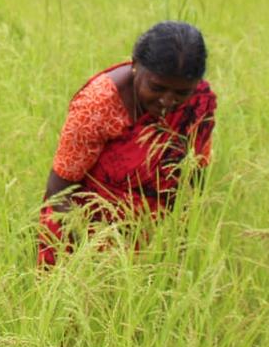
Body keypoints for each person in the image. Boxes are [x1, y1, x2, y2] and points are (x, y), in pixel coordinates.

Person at [39, 21, 217, 266]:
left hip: (154, 238)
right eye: (157, 87)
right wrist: (91, 257)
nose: (168, 100)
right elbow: (57, 192)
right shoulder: (99, 103)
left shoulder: (198, 102)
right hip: (85, 231)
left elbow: (194, 175)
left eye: (181, 93)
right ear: (135, 65)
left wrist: (179, 238)